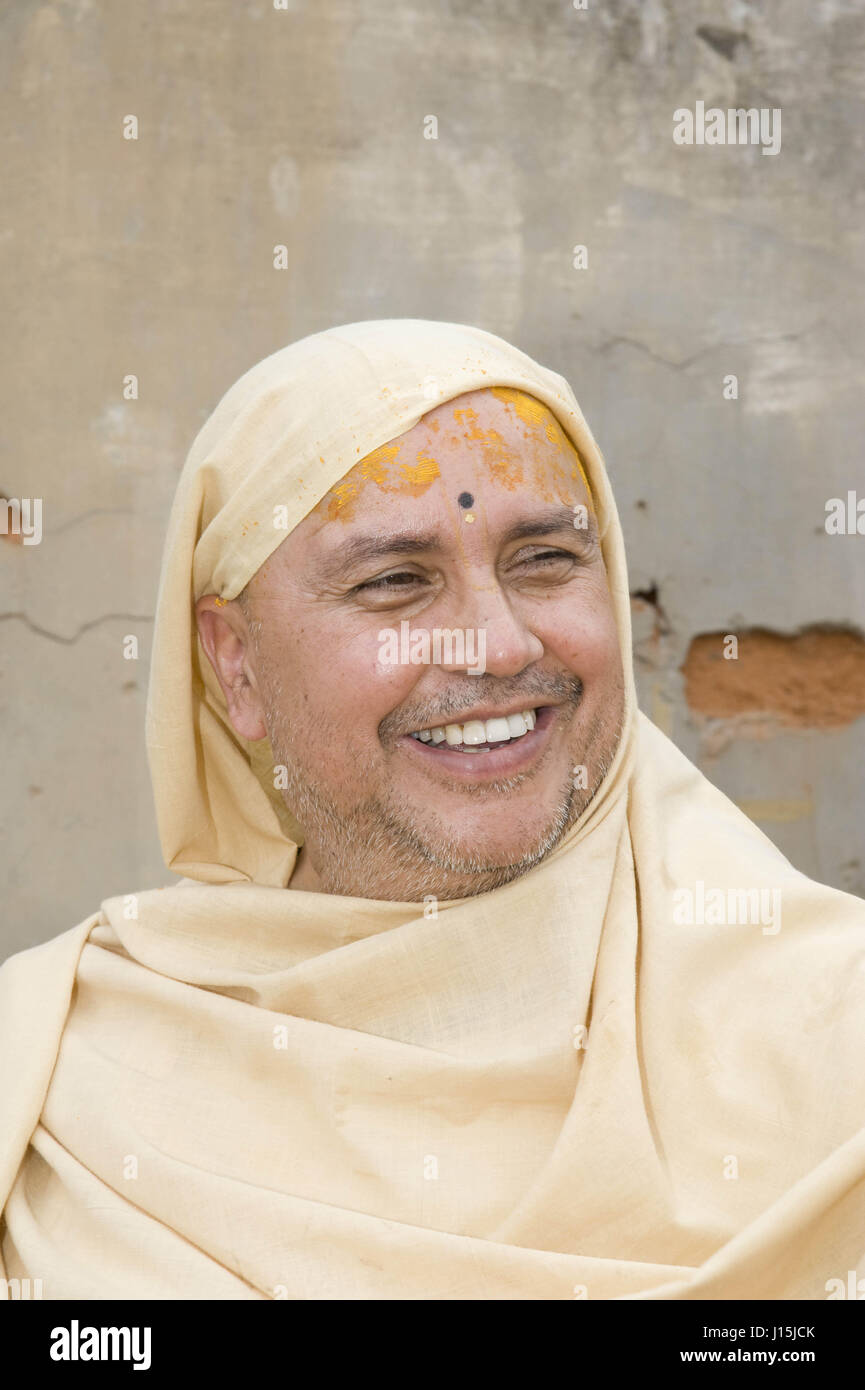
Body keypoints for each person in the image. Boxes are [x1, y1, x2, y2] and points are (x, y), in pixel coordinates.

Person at [1, 319, 863, 1300]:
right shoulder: (50, 1079)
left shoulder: (833, 1029)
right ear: (233, 663)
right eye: (395, 582)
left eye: (542, 559)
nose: (494, 645)